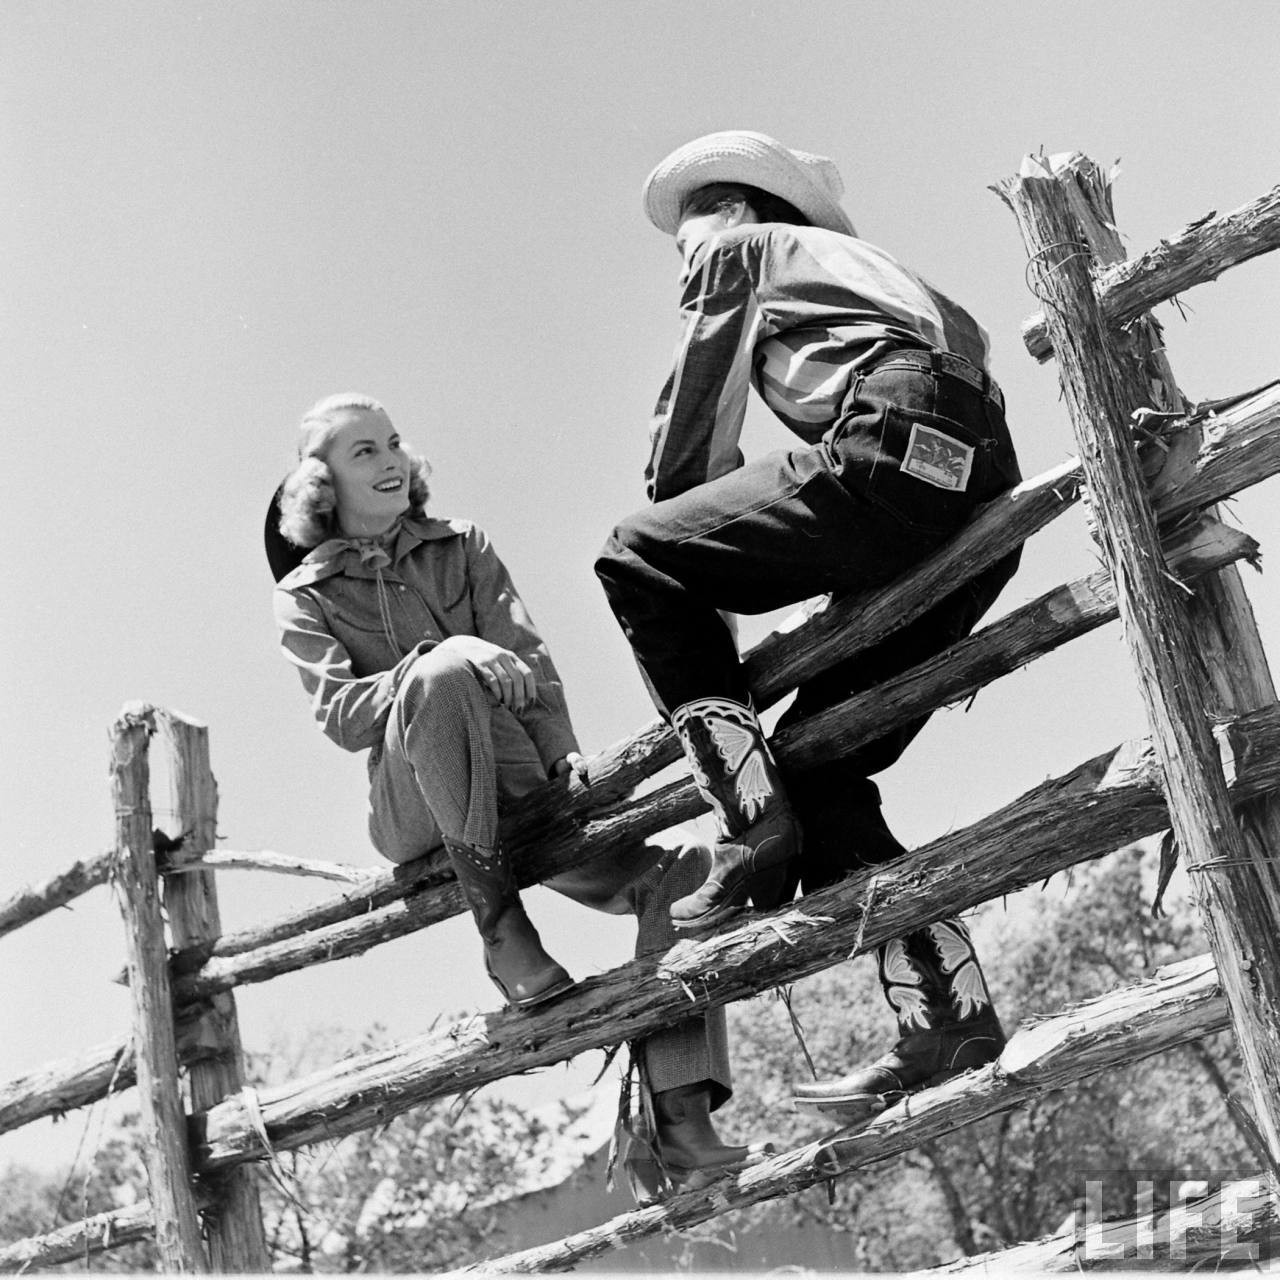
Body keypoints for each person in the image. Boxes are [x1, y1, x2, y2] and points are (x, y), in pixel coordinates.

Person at [594, 131, 1023, 1124]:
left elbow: (686, 447)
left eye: (686, 235)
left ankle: (748, 827)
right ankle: (948, 1015)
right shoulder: (894, 283)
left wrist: (700, 541)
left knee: (636, 554)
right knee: (822, 760)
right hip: (970, 492)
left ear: (738, 213)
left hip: (890, 436)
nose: (682, 260)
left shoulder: (743, 254)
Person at [271, 392, 768, 1190]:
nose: (391, 459)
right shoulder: (303, 594)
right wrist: (443, 656)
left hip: (518, 794)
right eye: (363, 451)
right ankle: (501, 928)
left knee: (687, 883)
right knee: (437, 675)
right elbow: (342, 716)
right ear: (318, 483)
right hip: (415, 807)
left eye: (394, 441)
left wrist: (564, 757)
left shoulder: (463, 545)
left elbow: (528, 664)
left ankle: (678, 1120)